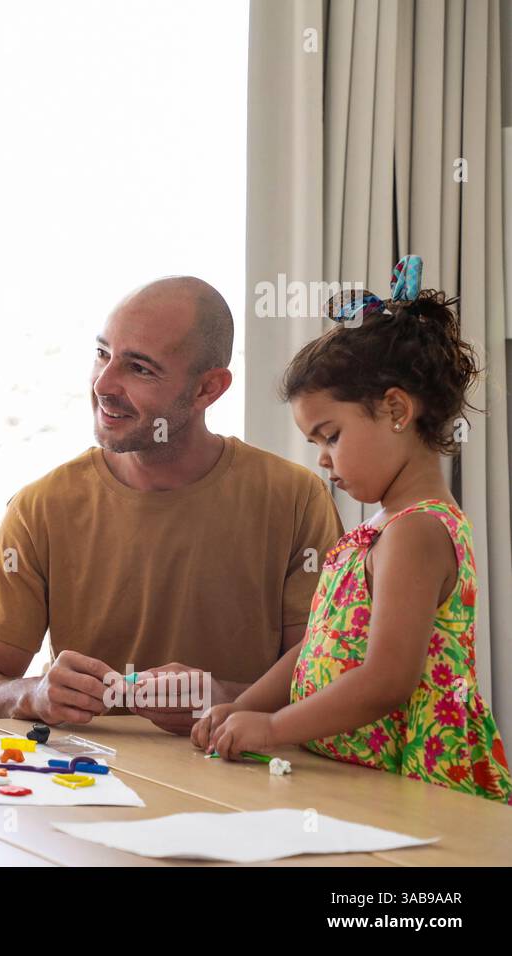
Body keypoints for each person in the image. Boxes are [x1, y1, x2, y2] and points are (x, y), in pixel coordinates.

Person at [0, 276, 343, 734]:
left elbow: (331, 682)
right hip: (82, 791)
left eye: (139, 368)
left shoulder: (296, 500)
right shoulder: (41, 507)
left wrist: (224, 698)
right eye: (102, 354)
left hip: (248, 787)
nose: (104, 384)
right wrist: (32, 695)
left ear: (207, 389)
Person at [193, 256, 510, 802]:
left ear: (395, 410)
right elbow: (318, 645)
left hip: (417, 787)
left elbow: (387, 682)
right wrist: (246, 707)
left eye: (330, 436)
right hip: (358, 780)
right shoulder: (380, 529)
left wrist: (272, 728)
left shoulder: (416, 534)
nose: (321, 459)